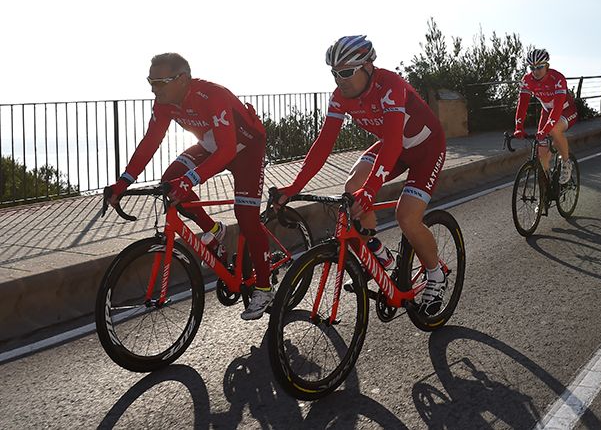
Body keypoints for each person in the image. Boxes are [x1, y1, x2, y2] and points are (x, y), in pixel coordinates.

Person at [273, 36, 449, 315]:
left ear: (368, 66)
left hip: (425, 150)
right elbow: (323, 145)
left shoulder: (390, 86)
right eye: (333, 73)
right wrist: (295, 186)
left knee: (407, 217)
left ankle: (436, 274)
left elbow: (391, 144)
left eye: (345, 72)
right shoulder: (340, 97)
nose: (338, 79)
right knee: (351, 186)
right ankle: (378, 253)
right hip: (396, 148)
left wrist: (370, 190)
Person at [103, 53, 271, 320]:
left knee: (246, 217)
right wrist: (124, 182)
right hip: (211, 146)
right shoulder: (165, 103)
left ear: (182, 80)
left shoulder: (212, 95)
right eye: (151, 81)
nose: (153, 89)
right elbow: (151, 142)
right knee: (169, 184)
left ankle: (264, 285)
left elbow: (227, 149)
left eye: (160, 82)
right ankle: (214, 230)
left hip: (245, 150)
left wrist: (191, 179)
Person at [513, 48, 578, 185]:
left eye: (539, 67)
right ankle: (545, 192)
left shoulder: (557, 78)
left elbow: (558, 107)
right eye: (532, 68)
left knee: (553, 130)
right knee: (541, 154)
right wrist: (519, 127)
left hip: (565, 110)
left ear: (547, 66)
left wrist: (546, 129)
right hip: (547, 111)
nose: (536, 71)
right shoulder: (527, 80)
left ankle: (566, 163)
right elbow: (522, 104)